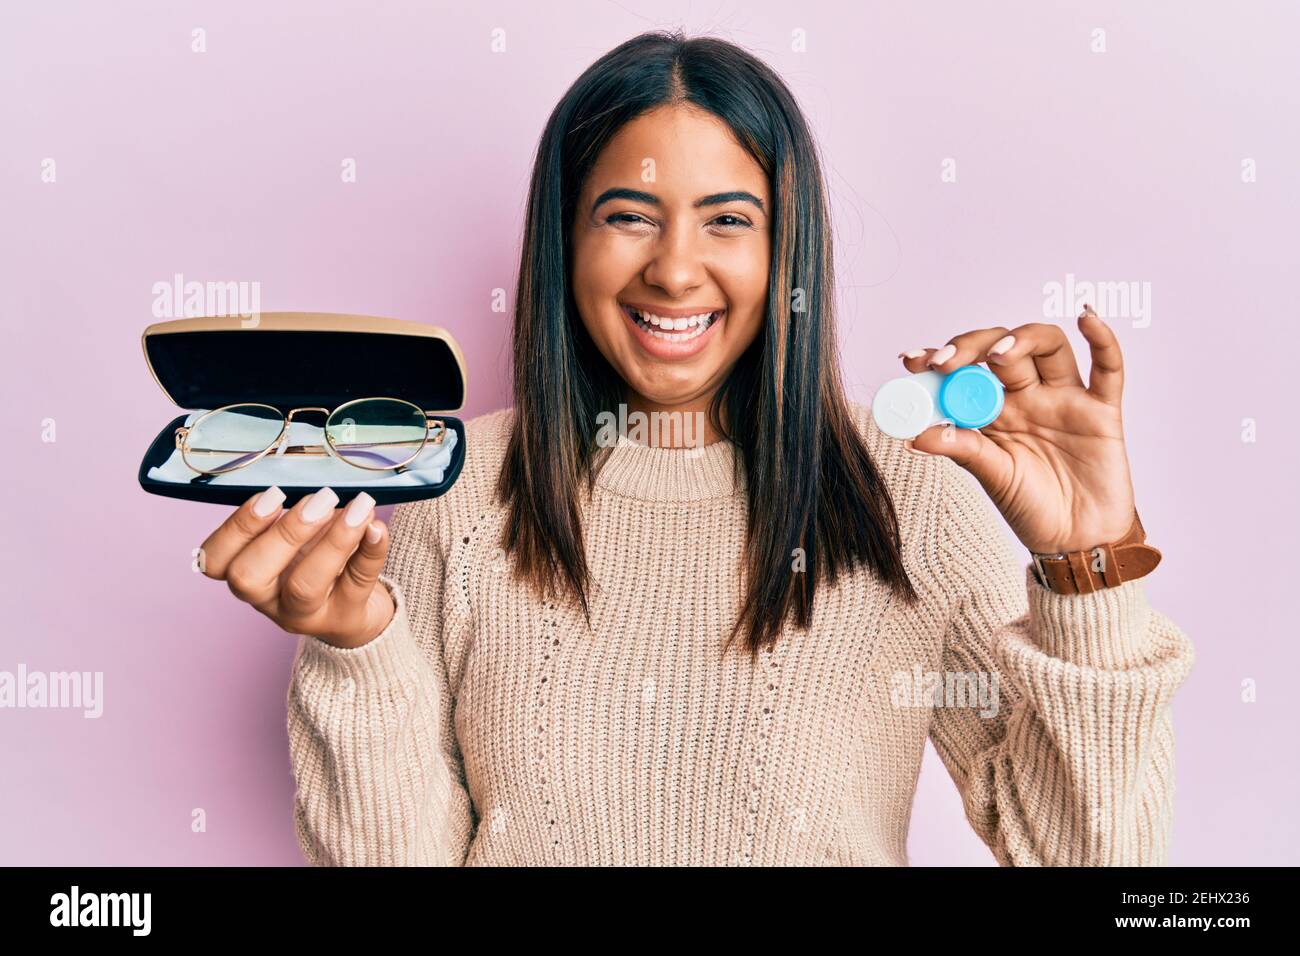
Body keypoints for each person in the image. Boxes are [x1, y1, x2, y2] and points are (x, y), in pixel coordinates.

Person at [196, 30, 1194, 866]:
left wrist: (1086, 567)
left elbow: (1094, 864)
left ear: (785, 248)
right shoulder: (458, 502)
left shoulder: (909, 502)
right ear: (564, 242)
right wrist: (352, 643)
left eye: (728, 220)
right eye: (627, 216)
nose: (675, 269)